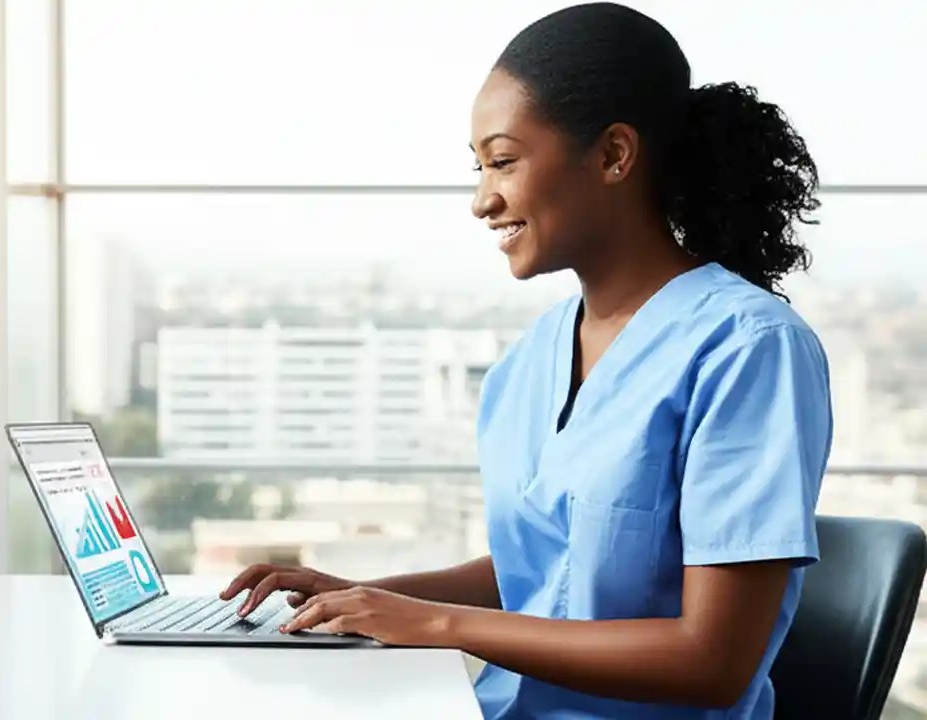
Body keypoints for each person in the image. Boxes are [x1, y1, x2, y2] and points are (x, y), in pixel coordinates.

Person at [220, 3, 831, 718]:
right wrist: (360, 595)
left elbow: (714, 661)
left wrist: (436, 625)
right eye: (478, 168)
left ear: (612, 156)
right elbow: (545, 573)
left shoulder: (747, 348)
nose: (483, 200)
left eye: (503, 161)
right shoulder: (534, 356)